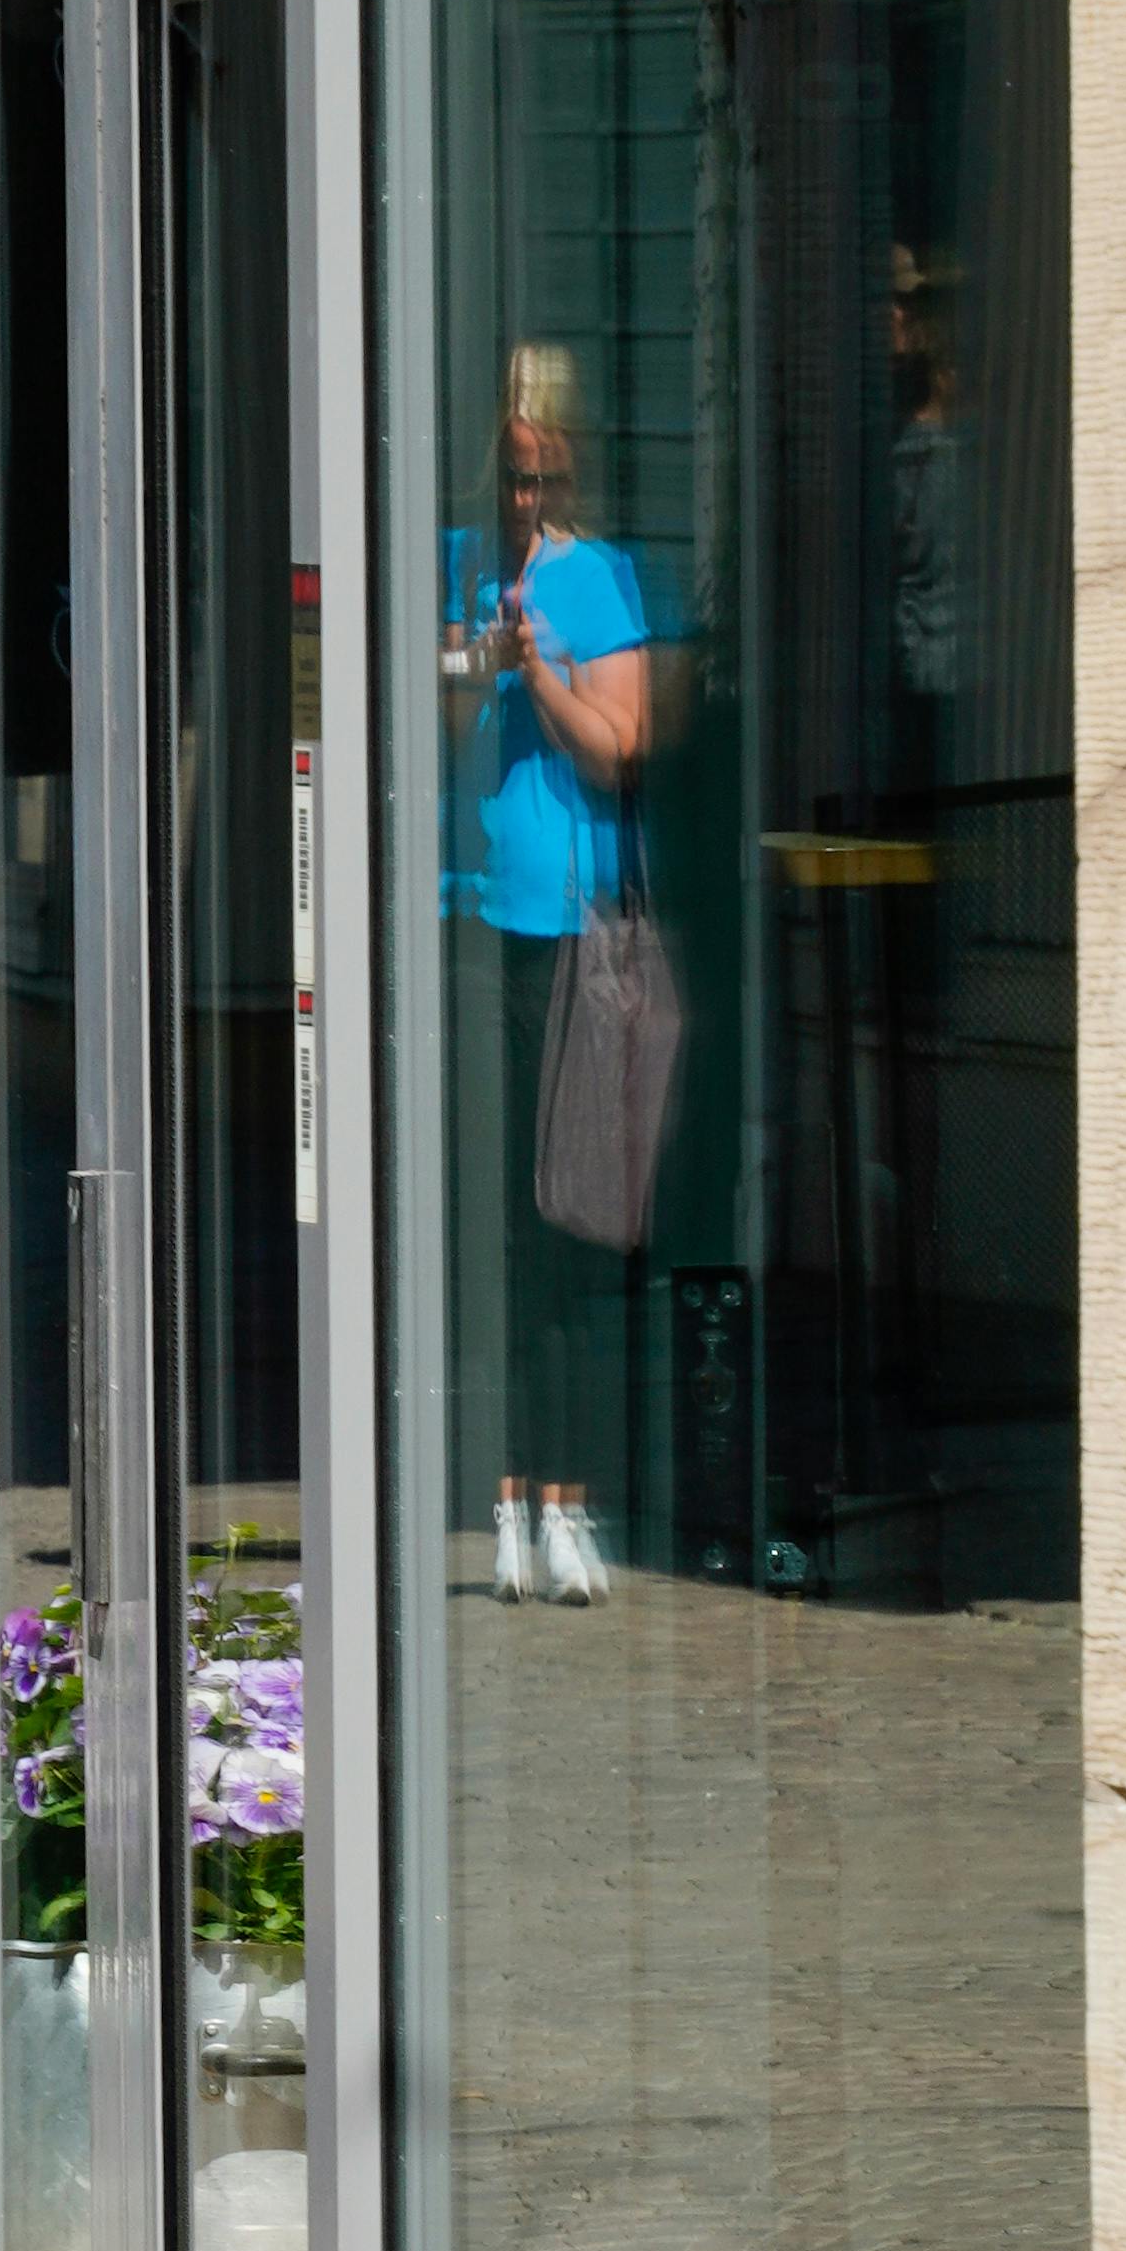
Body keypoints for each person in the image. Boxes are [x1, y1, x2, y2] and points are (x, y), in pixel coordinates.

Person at [439, 342, 655, 1603]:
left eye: (541, 479)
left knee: (571, 1213)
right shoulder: (459, 565)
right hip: (481, 914)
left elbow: (617, 750)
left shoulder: (604, 579)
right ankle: (512, 1491)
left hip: (574, 930)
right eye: (508, 479)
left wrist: (537, 669)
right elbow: (421, 714)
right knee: (501, 1220)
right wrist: (467, 663)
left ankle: (570, 1491)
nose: (522, 505)